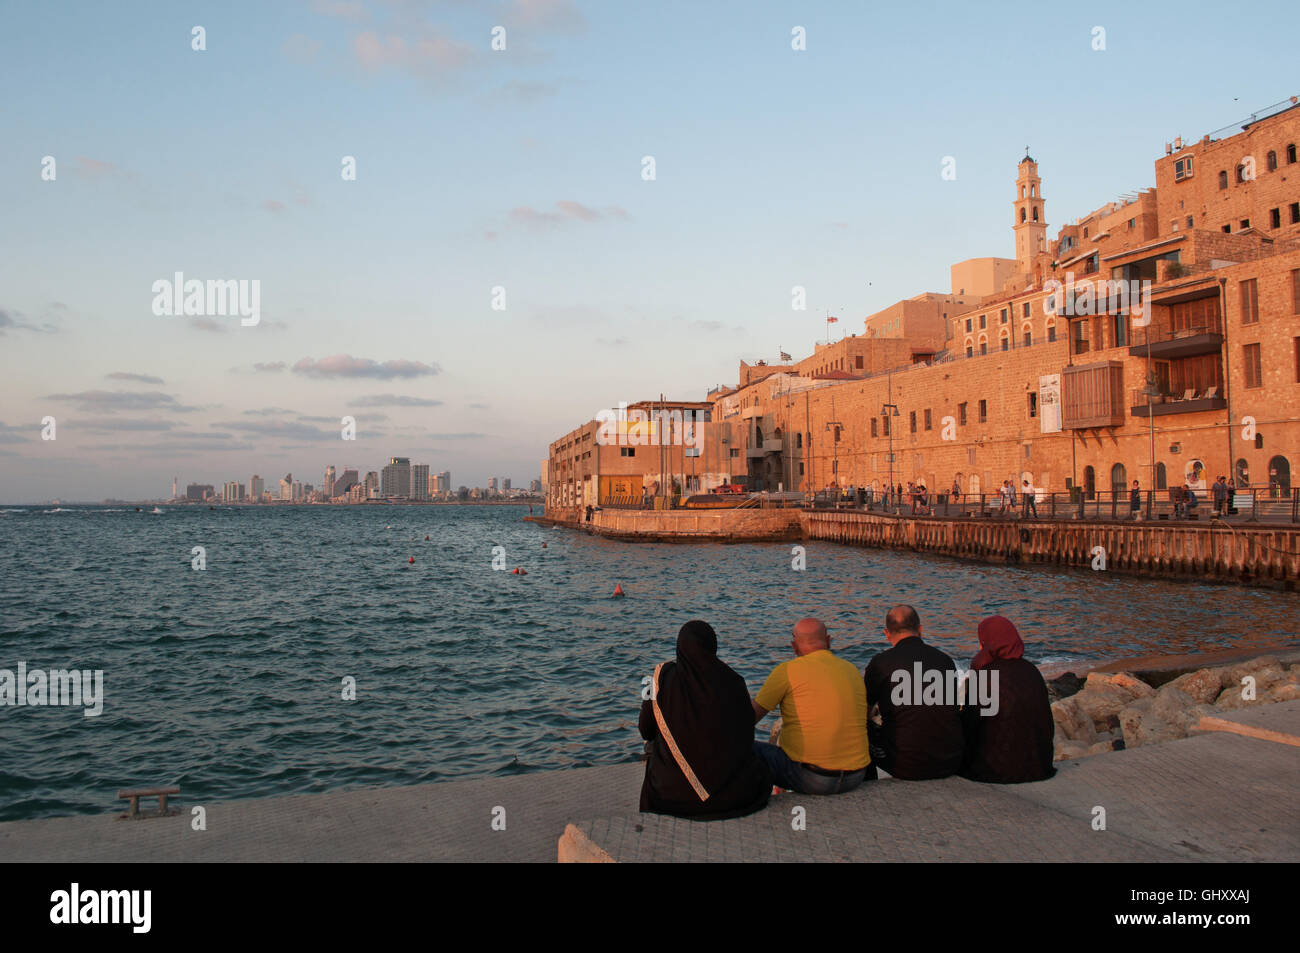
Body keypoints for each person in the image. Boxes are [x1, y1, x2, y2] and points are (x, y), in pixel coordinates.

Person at [639, 621, 772, 820]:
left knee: (653, 744)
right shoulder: (734, 681)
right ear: (712, 646)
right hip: (735, 795)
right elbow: (745, 732)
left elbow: (646, 730)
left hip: (671, 796)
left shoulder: (661, 680)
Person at [751, 618, 873, 795]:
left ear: (794, 646)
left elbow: (749, 718)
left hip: (811, 779)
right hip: (856, 777)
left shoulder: (786, 671)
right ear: (829, 641)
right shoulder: (852, 670)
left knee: (747, 747)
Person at [863, 606, 964, 780]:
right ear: (920, 630)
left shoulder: (880, 663)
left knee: (862, 727)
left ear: (886, 633)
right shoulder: (944, 660)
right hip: (949, 761)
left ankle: (868, 782)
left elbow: (865, 709)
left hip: (904, 765)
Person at [960, 616, 1055, 784]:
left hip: (994, 770)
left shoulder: (985, 675)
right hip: (1038, 766)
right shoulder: (1031, 670)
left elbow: (970, 725)